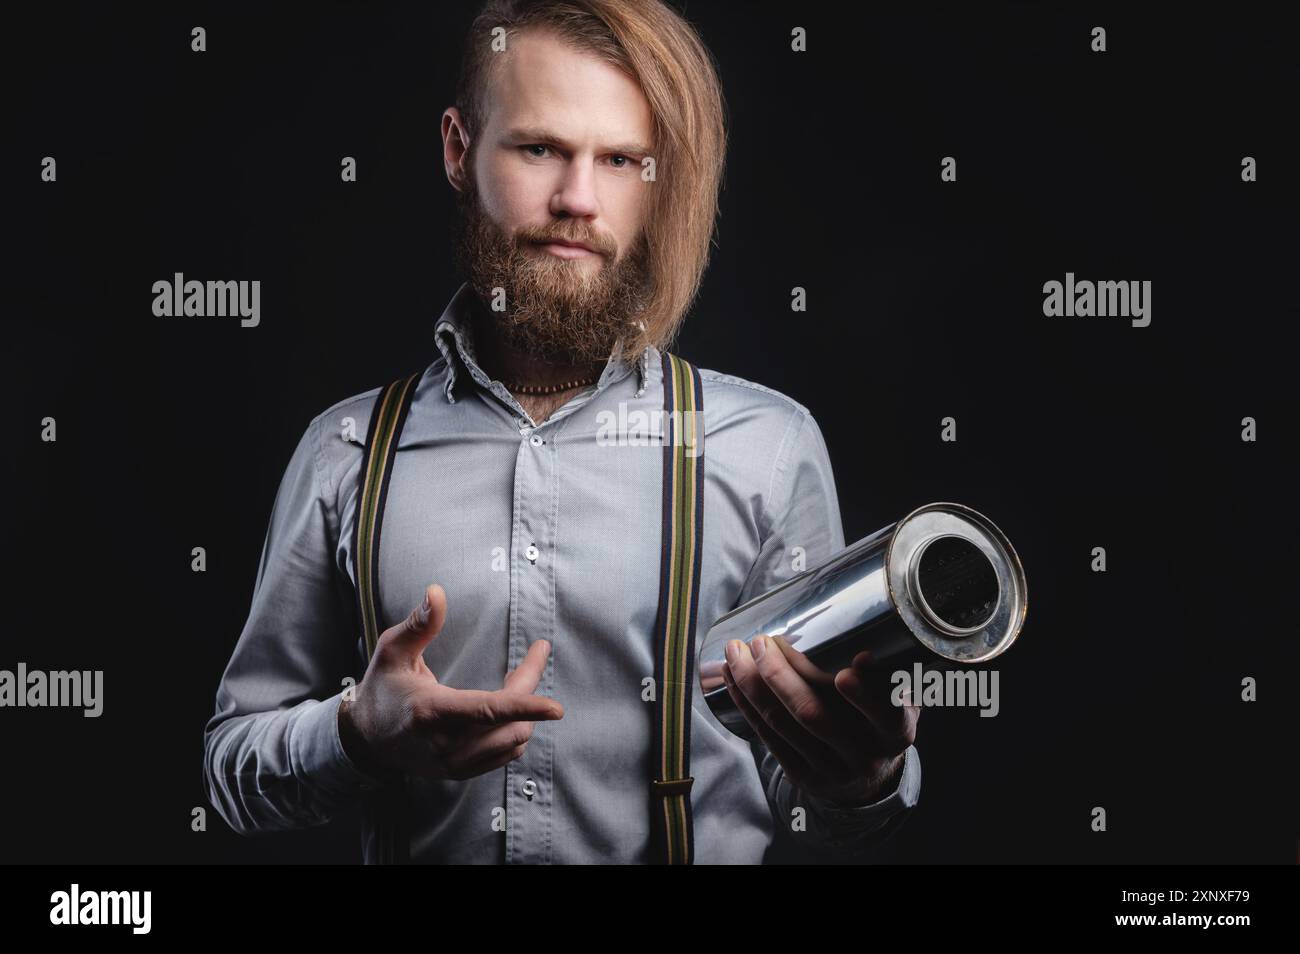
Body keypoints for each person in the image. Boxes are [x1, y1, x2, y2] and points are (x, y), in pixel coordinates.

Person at [203, 0, 920, 864]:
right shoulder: (345, 453)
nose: (579, 198)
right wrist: (356, 731)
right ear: (459, 150)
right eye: (540, 148)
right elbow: (230, 772)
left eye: (620, 159)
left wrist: (865, 773)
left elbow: (828, 806)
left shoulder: (766, 449)